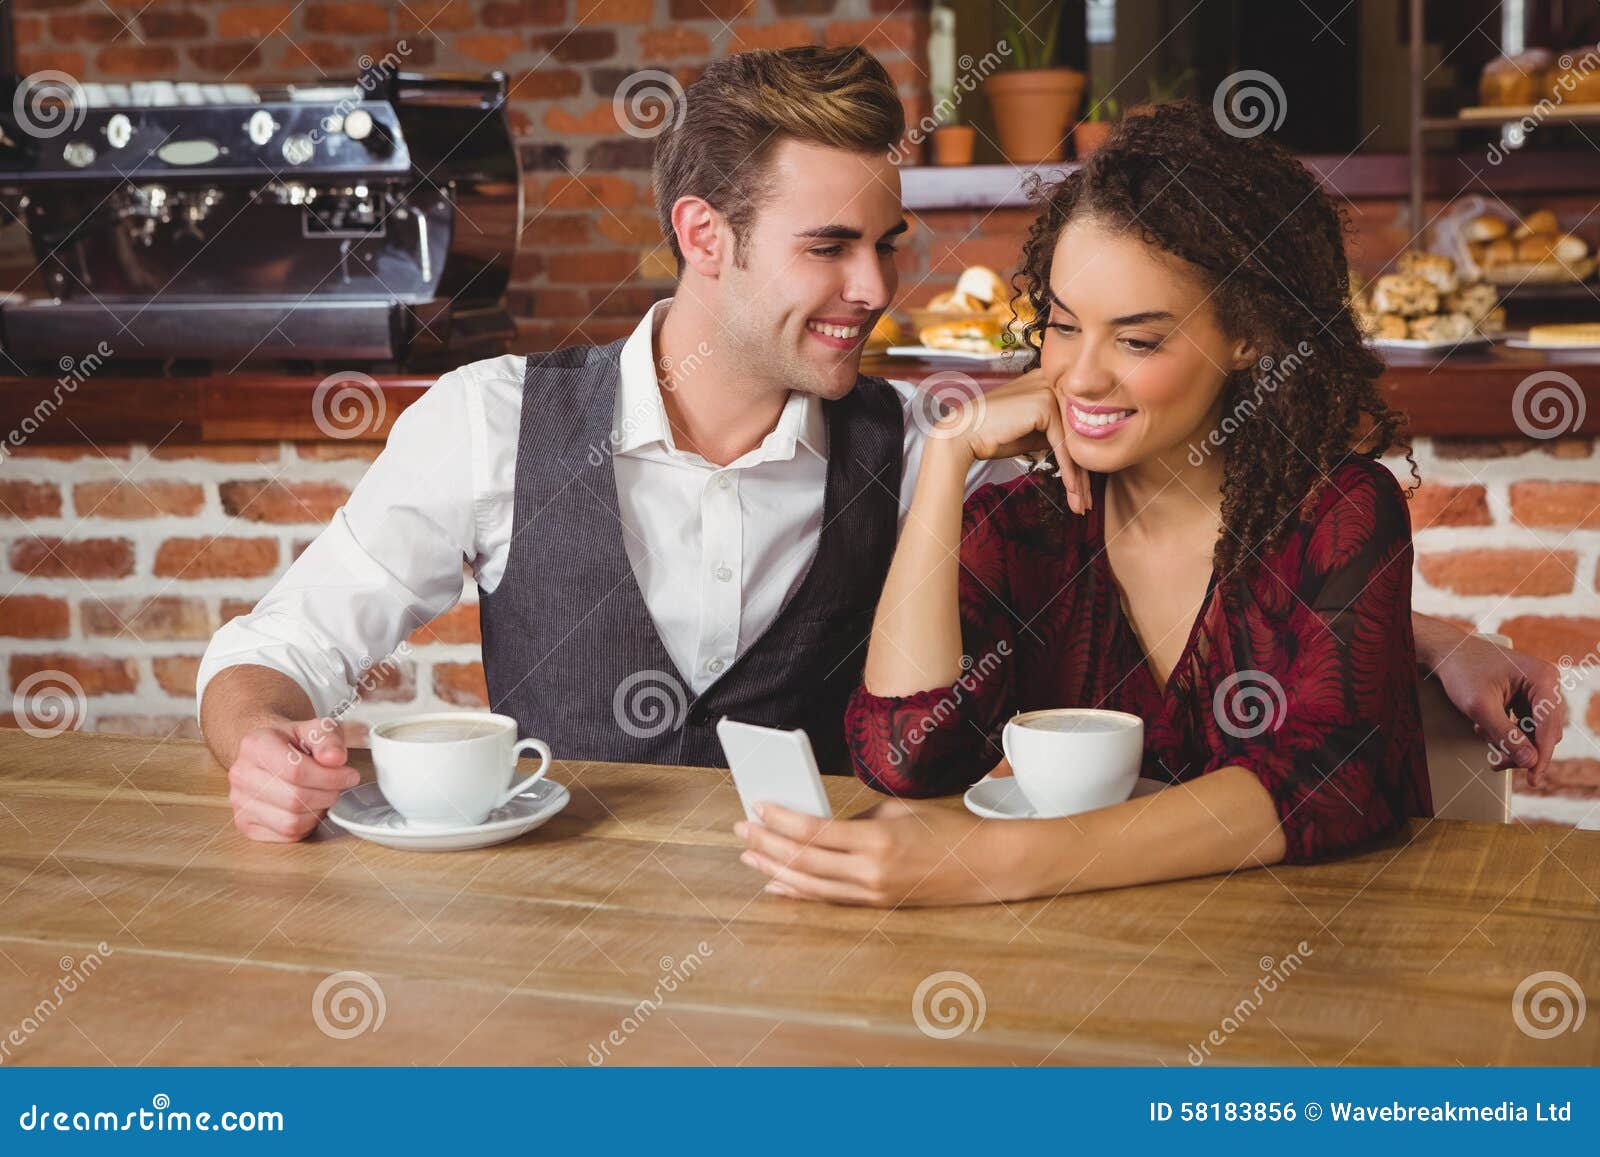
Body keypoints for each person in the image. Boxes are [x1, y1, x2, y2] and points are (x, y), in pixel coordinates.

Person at [199, 47, 1560, 844]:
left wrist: (1429, 636)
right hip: (546, 950)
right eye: (830, 247)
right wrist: (258, 741)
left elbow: (1179, 555)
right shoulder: (492, 422)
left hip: (840, 954)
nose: (876, 287)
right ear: (704, 240)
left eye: (888, 243)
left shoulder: (925, 441)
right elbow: (276, 648)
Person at [734, 101, 1559, 906]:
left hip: (1320, 973)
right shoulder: (1026, 529)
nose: (1083, 376)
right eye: (1063, 326)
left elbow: (1325, 782)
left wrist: (992, 863)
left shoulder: (1339, 512)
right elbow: (904, 752)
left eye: (1137, 340)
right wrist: (949, 457)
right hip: (1098, 978)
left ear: (1249, 337)